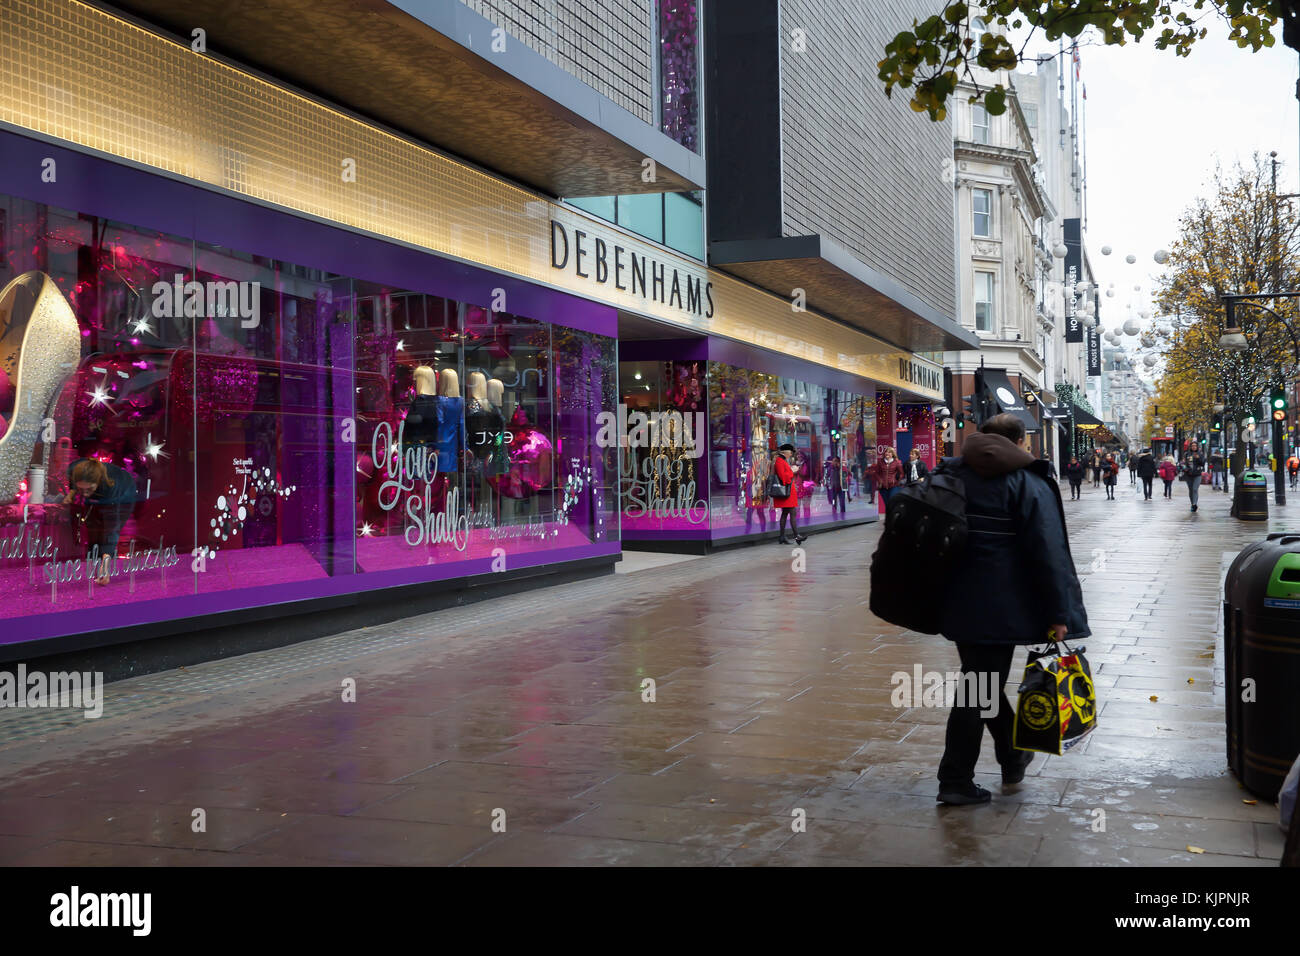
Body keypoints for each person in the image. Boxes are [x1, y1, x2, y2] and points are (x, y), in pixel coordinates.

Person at [935, 414, 1090, 806]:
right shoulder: (1027, 482)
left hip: (955, 599)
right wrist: (1060, 613)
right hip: (1002, 605)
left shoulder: (952, 473)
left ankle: (1011, 754)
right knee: (978, 688)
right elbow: (1048, 551)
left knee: (981, 683)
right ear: (1020, 441)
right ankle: (955, 778)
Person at [67, 458, 138, 586]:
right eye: (81, 489)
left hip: (124, 493)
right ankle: (92, 564)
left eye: (88, 490)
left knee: (105, 529)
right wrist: (72, 493)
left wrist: (105, 566)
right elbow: (78, 485)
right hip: (99, 491)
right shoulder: (73, 469)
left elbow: (111, 529)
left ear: (97, 482)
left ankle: (104, 566)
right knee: (92, 524)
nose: (85, 494)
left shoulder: (111, 487)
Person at [772, 443, 805, 545]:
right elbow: (783, 478)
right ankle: (796, 536)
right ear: (786, 452)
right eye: (790, 452)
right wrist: (792, 470)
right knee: (792, 513)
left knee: (785, 514)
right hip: (786, 493)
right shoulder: (779, 461)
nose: (791, 454)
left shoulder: (781, 460)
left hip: (787, 493)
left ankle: (782, 537)